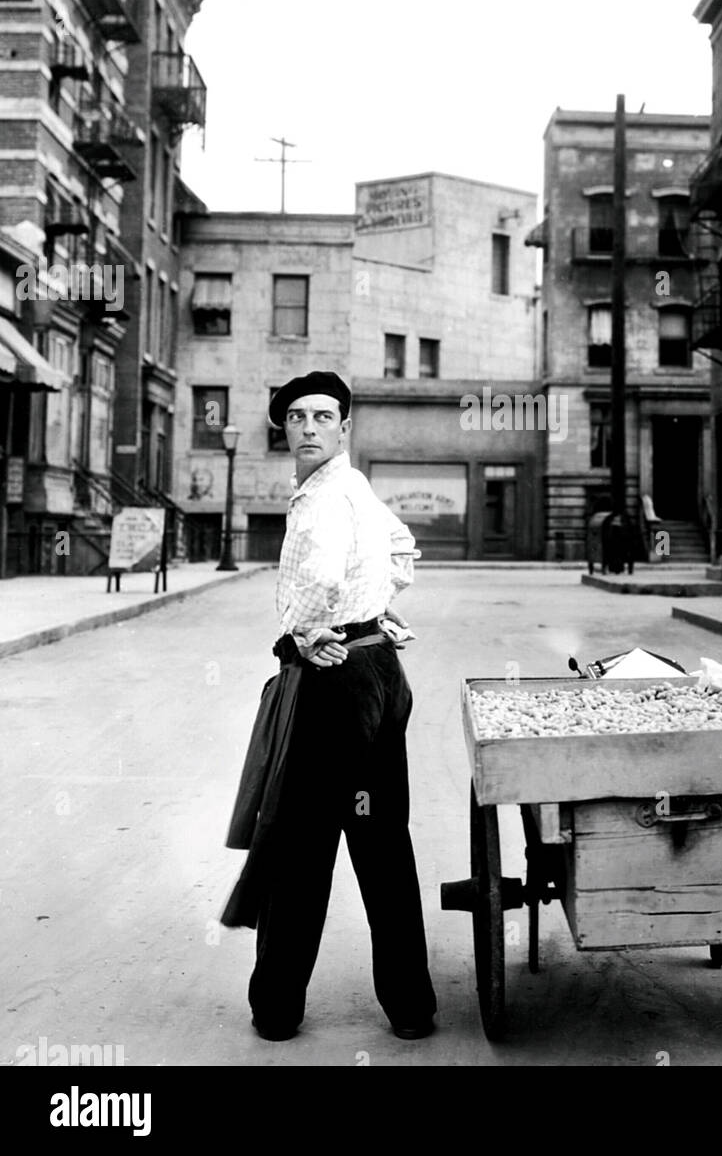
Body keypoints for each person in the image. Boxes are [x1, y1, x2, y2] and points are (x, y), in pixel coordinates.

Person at [236, 370, 437, 1042]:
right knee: (380, 837)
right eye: (296, 418)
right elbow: (402, 550)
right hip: (380, 668)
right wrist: (374, 604)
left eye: (323, 417)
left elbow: (319, 575)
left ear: (344, 427)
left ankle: (277, 1008)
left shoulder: (322, 496)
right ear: (283, 428)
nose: (310, 428)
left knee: (299, 842)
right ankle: (411, 1009)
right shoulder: (353, 486)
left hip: (336, 677)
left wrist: (307, 630)